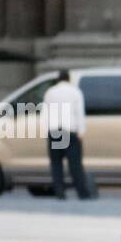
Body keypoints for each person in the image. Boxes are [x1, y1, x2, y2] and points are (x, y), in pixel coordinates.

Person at [43, 70, 90, 199]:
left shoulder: (50, 92)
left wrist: (47, 131)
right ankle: (82, 193)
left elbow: (45, 113)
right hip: (70, 131)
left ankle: (60, 193)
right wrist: (81, 131)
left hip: (55, 131)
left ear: (58, 79)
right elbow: (79, 113)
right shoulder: (75, 92)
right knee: (75, 164)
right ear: (69, 79)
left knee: (56, 164)